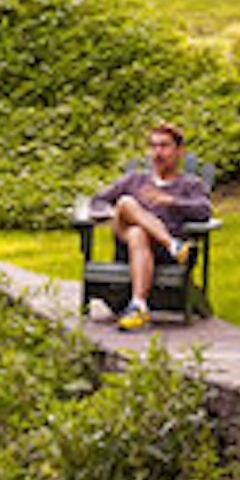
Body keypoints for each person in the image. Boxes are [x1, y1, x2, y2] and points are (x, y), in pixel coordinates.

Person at [88, 121, 212, 332]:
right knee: (126, 203)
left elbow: (204, 211)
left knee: (138, 232)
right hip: (125, 243)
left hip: (157, 252)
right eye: (153, 146)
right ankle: (174, 245)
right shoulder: (135, 180)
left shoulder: (190, 185)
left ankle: (138, 305)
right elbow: (97, 202)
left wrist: (170, 201)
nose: (157, 152)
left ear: (179, 151)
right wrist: (114, 213)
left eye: (164, 146)